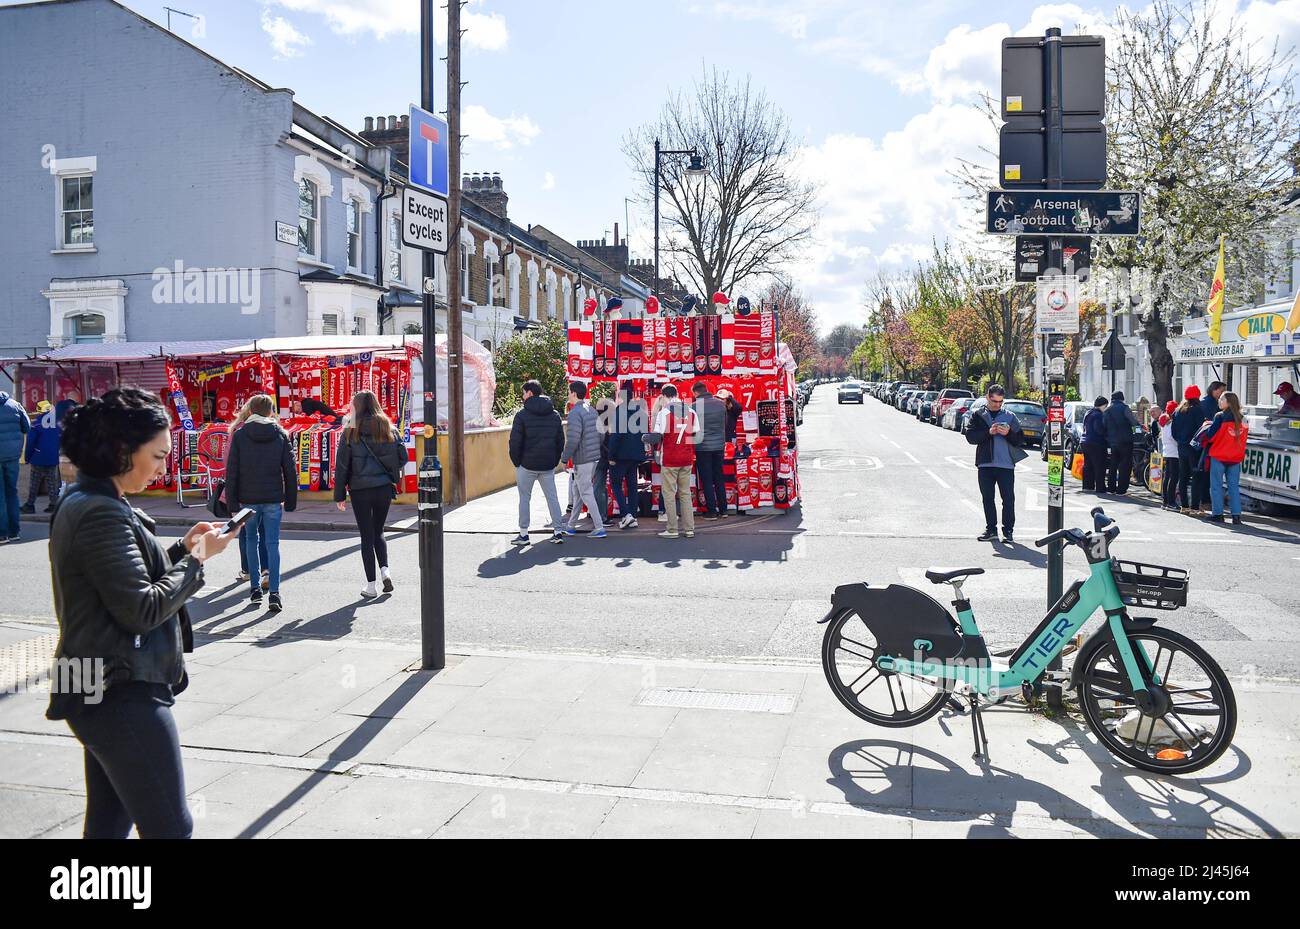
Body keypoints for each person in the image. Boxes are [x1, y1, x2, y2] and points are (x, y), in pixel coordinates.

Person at [47, 388, 233, 838]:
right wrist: (196, 562)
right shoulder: (100, 512)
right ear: (122, 451)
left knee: (108, 824)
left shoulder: (85, 500)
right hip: (118, 687)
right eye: (159, 455)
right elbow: (142, 607)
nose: (165, 467)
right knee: (170, 827)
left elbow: (120, 582)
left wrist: (181, 550)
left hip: (92, 678)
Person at [223, 395, 296, 613]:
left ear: (250, 410)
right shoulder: (280, 435)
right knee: (273, 544)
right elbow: (289, 471)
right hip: (273, 498)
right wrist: (290, 500)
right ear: (271, 412)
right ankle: (274, 593)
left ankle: (255, 588)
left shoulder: (240, 435)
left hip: (248, 499)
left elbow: (232, 471)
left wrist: (232, 503)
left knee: (250, 541)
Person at [333, 390, 406, 598]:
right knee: (379, 531)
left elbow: (342, 465)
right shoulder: (387, 425)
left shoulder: (350, 428)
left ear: (356, 406)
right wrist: (391, 471)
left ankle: (371, 586)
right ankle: (385, 570)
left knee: (366, 536)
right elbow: (403, 456)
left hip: (359, 490)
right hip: (383, 487)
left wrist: (339, 495)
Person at [508, 379, 566, 547]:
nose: (522, 395)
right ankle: (558, 531)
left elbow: (515, 442)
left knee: (525, 498)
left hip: (527, 464)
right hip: (547, 465)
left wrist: (517, 462)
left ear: (530, 393)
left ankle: (524, 535)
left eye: (524, 392)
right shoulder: (554, 414)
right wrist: (554, 460)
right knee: (552, 498)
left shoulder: (521, 415)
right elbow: (560, 441)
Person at [966, 384, 1025, 543]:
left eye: (1000, 402)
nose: (997, 405)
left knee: (1008, 499)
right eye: (994, 401)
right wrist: (988, 433)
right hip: (985, 464)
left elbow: (1020, 440)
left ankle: (1008, 531)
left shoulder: (1010, 416)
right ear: (987, 397)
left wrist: (1008, 434)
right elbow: (970, 437)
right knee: (987, 498)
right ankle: (991, 529)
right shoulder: (978, 415)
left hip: (1006, 465)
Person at [560, 381, 606, 539]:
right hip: (593, 457)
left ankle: (599, 527)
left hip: (582, 459)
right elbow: (601, 434)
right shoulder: (591, 410)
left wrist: (565, 459)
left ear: (573, 393)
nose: (568, 395)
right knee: (578, 491)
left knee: (585, 492)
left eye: (568, 392)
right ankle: (571, 526)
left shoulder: (575, 413)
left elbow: (572, 440)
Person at [653, 384, 699, 539]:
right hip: (686, 457)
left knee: (669, 494)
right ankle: (689, 529)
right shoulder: (691, 411)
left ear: (664, 396)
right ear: (677, 394)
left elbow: (657, 436)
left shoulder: (663, 412)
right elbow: (695, 434)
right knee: (685, 493)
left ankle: (672, 529)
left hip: (670, 458)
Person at [1201, 391, 1250, 525]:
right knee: (1233, 487)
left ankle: (1218, 514)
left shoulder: (1219, 416)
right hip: (1235, 457)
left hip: (1219, 454)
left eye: (1222, 399)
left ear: (1228, 402)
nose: (1219, 401)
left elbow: (1211, 436)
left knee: (1216, 486)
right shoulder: (1243, 418)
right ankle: (1236, 516)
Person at [606, 385, 646, 530]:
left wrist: (611, 454)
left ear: (620, 395)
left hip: (620, 455)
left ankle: (626, 514)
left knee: (616, 484)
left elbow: (616, 435)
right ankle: (633, 515)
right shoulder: (640, 411)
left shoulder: (619, 411)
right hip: (635, 455)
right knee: (632, 486)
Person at [691, 381, 729, 519]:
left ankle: (712, 511)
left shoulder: (694, 406)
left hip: (702, 447)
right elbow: (725, 424)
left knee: (706, 479)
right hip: (719, 446)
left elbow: (692, 429)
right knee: (719, 477)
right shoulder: (721, 404)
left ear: (696, 392)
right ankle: (724, 509)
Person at [21, 400, 64, 514]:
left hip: (38, 458)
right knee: (52, 482)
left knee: (35, 482)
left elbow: (30, 443)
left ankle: (30, 505)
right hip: (52, 458)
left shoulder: (36, 424)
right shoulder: (58, 424)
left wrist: (27, 458)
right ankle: (54, 504)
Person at [0, 387, 30, 543]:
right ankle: (14, 531)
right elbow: (27, 427)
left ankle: (2, 533)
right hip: (12, 456)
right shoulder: (15, 404)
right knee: (12, 491)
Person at [1171, 385, 1207, 514]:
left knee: (1183, 477)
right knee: (1196, 476)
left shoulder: (1177, 411)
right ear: (1197, 397)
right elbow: (1200, 429)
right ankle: (1195, 507)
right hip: (1194, 447)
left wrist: (1181, 441)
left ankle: (1184, 506)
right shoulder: (1197, 410)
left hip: (1181, 447)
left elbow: (1173, 432)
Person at [1193, 381, 1228, 511]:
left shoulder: (1206, 402)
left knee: (1205, 473)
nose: (1221, 394)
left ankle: (1206, 500)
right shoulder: (1210, 404)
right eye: (1221, 391)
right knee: (1205, 473)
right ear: (1214, 390)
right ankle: (1205, 500)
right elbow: (1210, 425)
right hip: (1208, 444)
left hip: (1206, 443)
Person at [1103, 390, 1138, 494]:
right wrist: (1138, 430)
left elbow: (1104, 425)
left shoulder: (1106, 410)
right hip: (1126, 440)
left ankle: (1111, 487)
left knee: (1113, 464)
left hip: (1113, 442)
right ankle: (1121, 489)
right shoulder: (1124, 408)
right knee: (1125, 465)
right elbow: (1133, 422)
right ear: (1122, 398)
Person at [1080, 396, 1108, 493]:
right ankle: (1100, 488)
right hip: (1096, 443)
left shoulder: (1088, 412)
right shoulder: (1098, 415)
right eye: (1106, 406)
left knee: (1088, 465)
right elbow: (1099, 430)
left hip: (1085, 441)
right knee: (1099, 466)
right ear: (1103, 405)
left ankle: (1087, 486)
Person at [1158, 402, 1181, 510]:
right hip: (1174, 452)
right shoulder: (1172, 423)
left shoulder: (1164, 422)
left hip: (1167, 451)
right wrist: (1180, 442)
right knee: (1173, 477)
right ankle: (1171, 501)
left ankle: (1165, 500)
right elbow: (1173, 437)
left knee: (1167, 476)